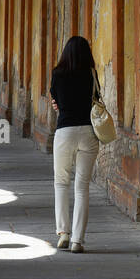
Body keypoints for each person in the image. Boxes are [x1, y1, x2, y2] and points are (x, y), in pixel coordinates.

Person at [50, 35, 100, 252]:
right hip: (88, 132)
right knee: (82, 188)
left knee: (61, 183)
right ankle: (77, 240)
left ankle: (63, 233)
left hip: (64, 132)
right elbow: (97, 98)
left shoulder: (57, 74)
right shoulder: (91, 74)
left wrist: (59, 104)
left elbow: (56, 101)